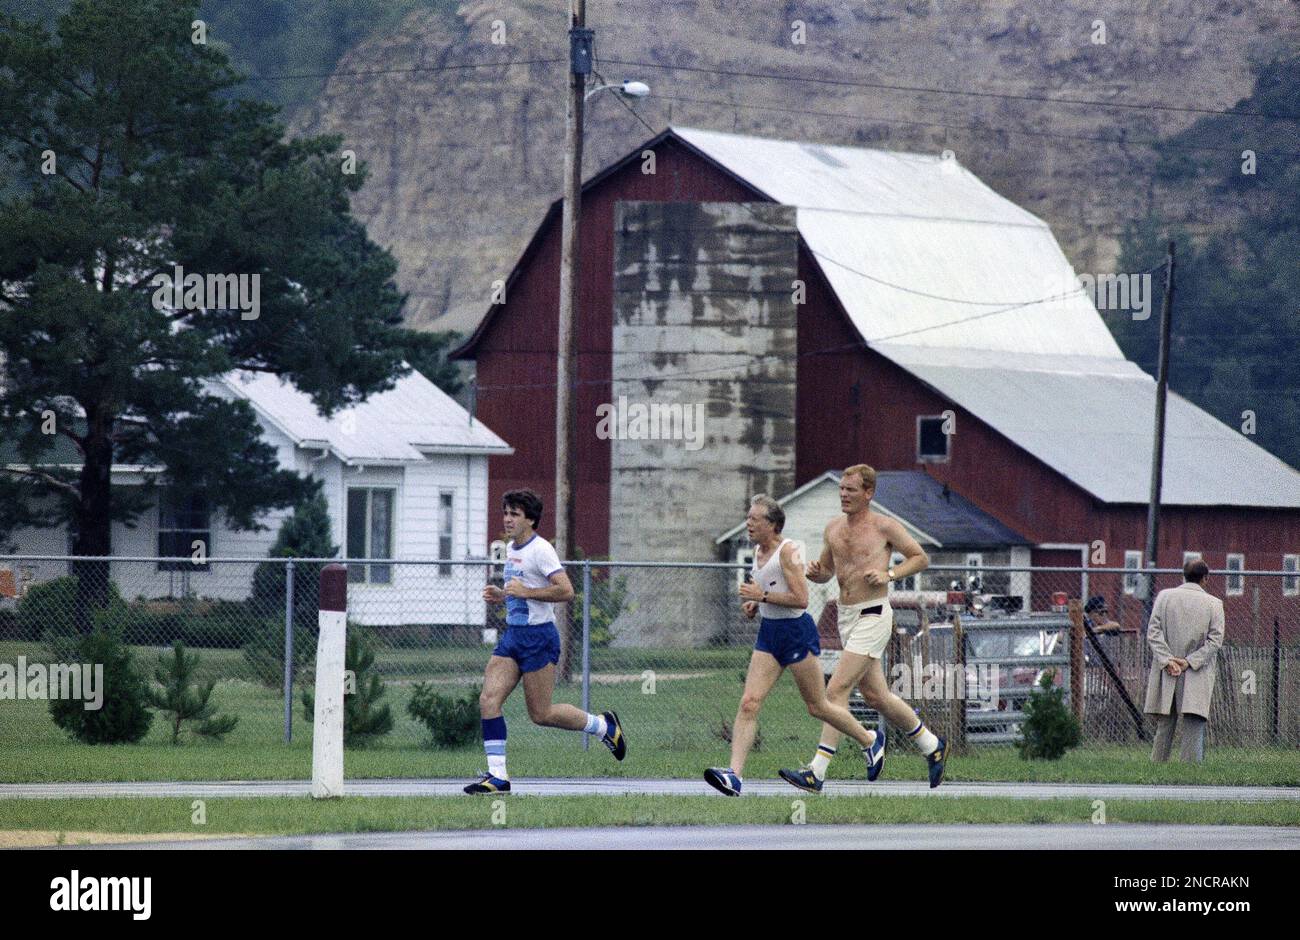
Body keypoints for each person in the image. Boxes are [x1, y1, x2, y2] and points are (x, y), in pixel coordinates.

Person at [780, 463, 949, 791]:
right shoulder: (833, 528)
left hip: (874, 614)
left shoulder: (885, 527)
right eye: (842, 489)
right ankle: (931, 745)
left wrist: (890, 575)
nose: (844, 495)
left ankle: (818, 771)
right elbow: (827, 570)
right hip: (847, 616)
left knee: (834, 691)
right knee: (877, 696)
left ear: (868, 493)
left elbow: (920, 557)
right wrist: (818, 573)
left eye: (851, 490)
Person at [703, 495, 884, 796]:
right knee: (749, 702)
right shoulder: (757, 552)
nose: (748, 523)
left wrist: (761, 597)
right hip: (769, 634)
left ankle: (869, 739)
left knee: (817, 706)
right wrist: (753, 605)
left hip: (796, 633)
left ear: (772, 525)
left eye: (754, 519)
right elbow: (765, 593)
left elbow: (800, 598)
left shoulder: (788, 551)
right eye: (748, 517)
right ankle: (734, 776)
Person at [465, 490, 626, 793]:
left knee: (541, 714)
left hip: (539, 638)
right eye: (505, 512)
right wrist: (502, 595)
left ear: (531, 519)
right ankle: (497, 776)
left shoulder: (541, 550)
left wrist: (525, 592)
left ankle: (603, 726)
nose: (507, 518)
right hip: (513, 636)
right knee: (488, 700)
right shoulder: (512, 548)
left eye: (514, 513)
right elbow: (520, 589)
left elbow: (566, 591)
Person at [1143, 557, 1224, 763]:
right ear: (1205, 578)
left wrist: (1167, 660)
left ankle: (1157, 766)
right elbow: (1214, 642)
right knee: (1194, 723)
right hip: (1197, 670)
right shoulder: (1214, 604)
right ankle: (1190, 770)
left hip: (1168, 669)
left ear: (1184, 575)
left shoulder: (1164, 597)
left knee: (1165, 725)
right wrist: (1189, 661)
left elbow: (1153, 632)